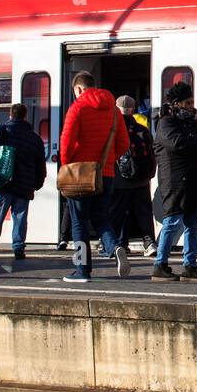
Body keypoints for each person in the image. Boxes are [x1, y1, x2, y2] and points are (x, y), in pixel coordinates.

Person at [58, 71, 130, 282]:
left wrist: (66, 166)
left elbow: (66, 143)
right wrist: (108, 161)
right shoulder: (115, 111)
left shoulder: (77, 107)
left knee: (79, 223)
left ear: (78, 89)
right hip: (105, 174)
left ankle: (81, 270)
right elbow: (124, 143)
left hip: (80, 174)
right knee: (101, 217)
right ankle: (115, 246)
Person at [151, 82, 197, 281]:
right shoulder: (165, 123)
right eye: (188, 102)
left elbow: (196, 144)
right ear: (176, 103)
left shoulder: (192, 120)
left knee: (193, 224)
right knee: (172, 222)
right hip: (175, 180)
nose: (191, 105)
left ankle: (190, 266)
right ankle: (160, 265)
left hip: (194, 179)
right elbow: (177, 144)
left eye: (192, 102)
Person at [0, 103, 48, 260]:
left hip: (3, 182)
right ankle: (18, 249)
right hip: (24, 185)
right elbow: (40, 164)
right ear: (25, 116)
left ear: (10, 115)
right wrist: (38, 182)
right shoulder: (34, 138)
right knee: (20, 217)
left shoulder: (2, 130)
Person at [114, 95, 158, 256]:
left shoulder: (115, 129)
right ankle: (149, 242)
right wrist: (151, 173)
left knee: (120, 211)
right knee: (144, 212)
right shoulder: (142, 129)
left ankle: (119, 243)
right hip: (142, 179)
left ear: (117, 109)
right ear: (132, 109)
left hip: (120, 179)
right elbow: (152, 154)